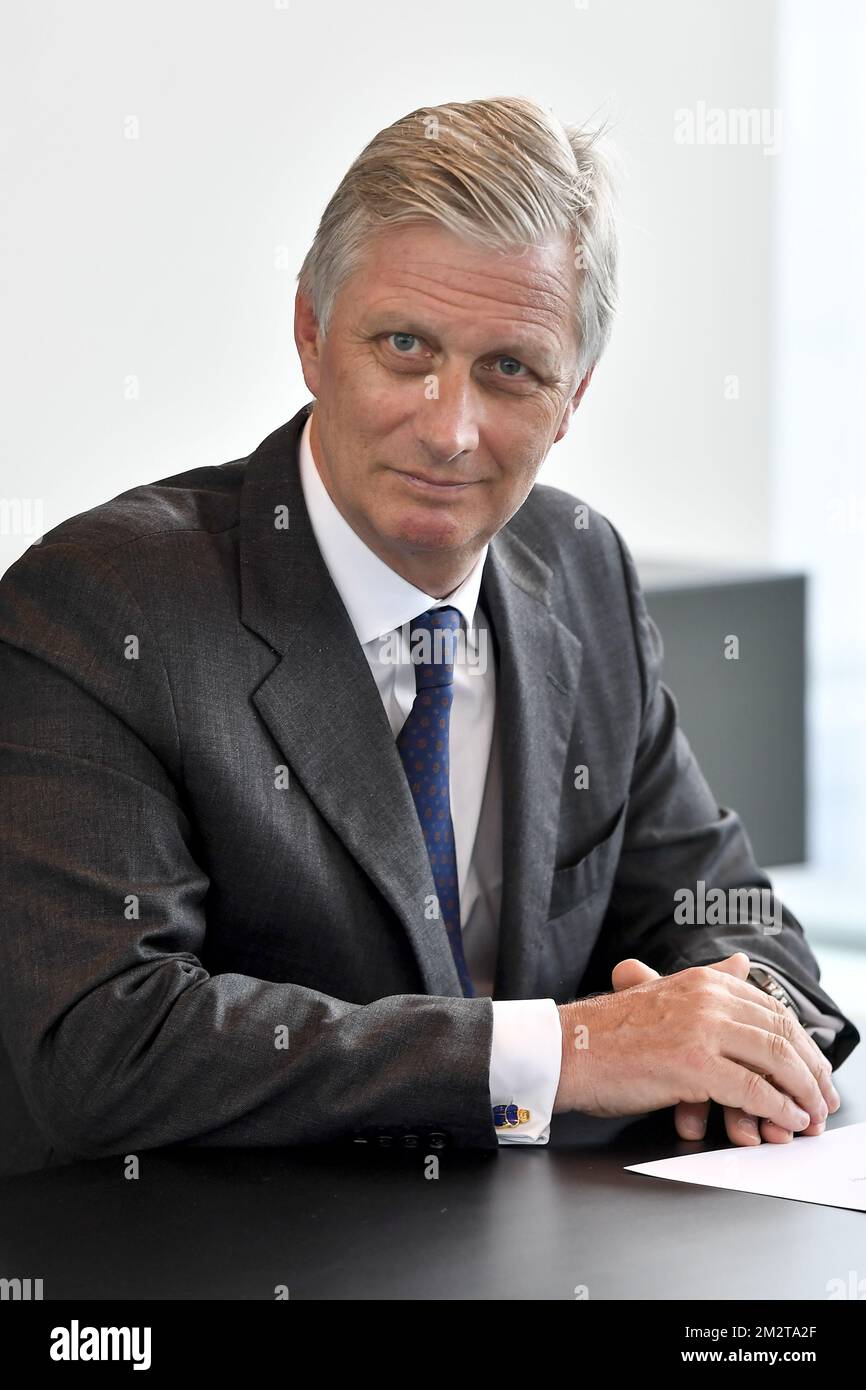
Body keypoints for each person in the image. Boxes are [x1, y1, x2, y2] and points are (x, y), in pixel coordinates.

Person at [0, 96, 857, 1180]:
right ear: (310, 334)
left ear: (572, 395)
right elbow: (103, 1044)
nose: (449, 427)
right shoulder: (103, 606)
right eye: (404, 346)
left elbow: (726, 918)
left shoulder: (581, 570)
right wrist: (568, 1050)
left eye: (511, 369)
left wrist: (741, 1041)